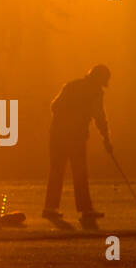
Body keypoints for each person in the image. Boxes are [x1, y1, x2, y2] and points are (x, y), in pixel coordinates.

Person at [44, 64, 112, 229]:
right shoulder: (95, 92)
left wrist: (66, 118)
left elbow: (54, 106)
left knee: (56, 170)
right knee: (80, 172)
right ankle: (85, 210)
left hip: (57, 134)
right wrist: (106, 138)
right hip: (76, 136)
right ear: (100, 80)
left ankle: (50, 208)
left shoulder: (71, 85)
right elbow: (99, 116)